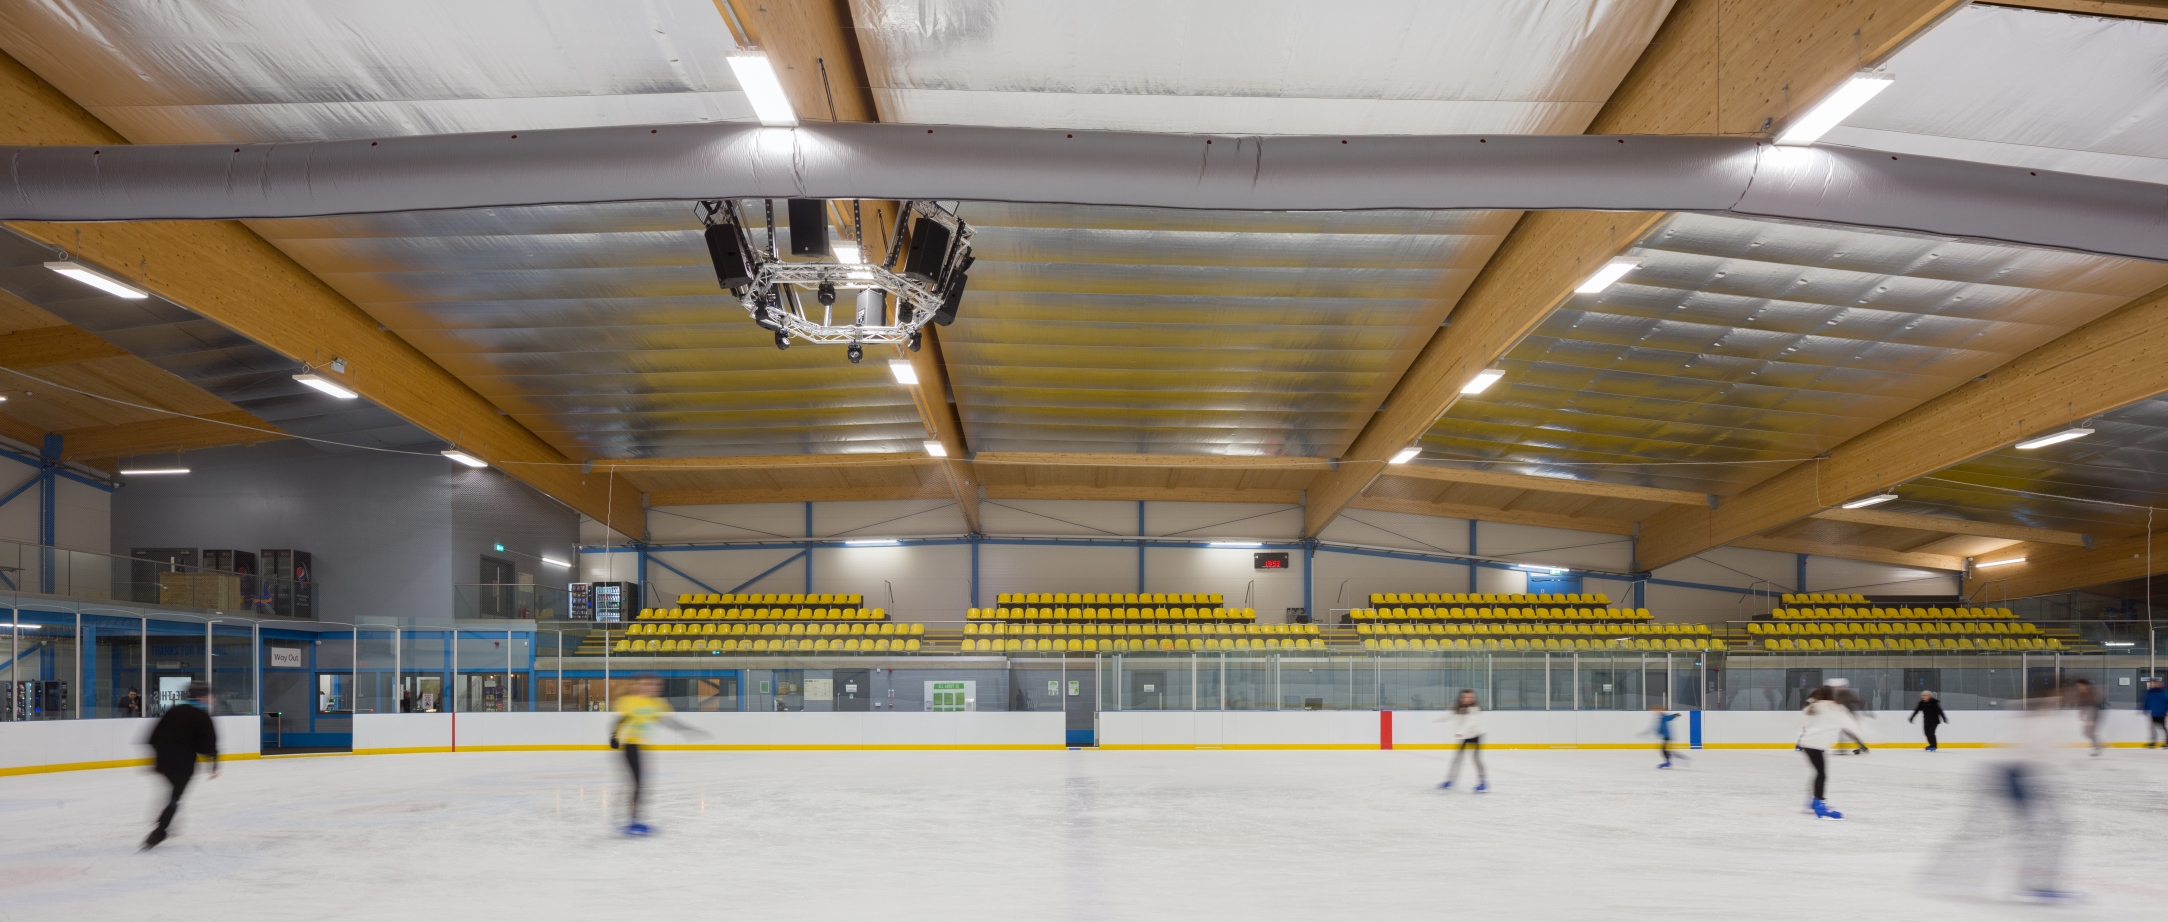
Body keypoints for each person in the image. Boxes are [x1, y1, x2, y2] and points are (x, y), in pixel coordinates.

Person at [609, 675, 706, 836]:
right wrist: (614, 735)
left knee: (639, 784)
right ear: (638, 685)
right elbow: (621, 720)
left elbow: (667, 721)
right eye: (646, 684)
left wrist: (686, 730)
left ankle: (631, 819)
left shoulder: (658, 704)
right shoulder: (629, 701)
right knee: (637, 783)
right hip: (630, 746)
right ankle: (631, 821)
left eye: (654, 685)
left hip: (643, 748)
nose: (650, 688)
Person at [142, 681, 218, 849]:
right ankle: (160, 831)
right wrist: (213, 763)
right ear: (200, 697)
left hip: (164, 763)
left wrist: (155, 760)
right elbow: (206, 745)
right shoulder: (202, 716)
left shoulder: (173, 711)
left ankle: (165, 821)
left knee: (172, 795)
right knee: (175, 797)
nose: (210, 699)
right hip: (183, 765)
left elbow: (153, 737)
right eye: (208, 696)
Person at [1798, 686, 1860, 820]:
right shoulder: (1830, 706)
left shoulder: (1812, 706)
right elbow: (1847, 722)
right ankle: (1819, 805)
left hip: (1808, 744)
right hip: (1815, 744)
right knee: (1821, 774)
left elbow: (1805, 724)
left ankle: (1814, 801)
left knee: (1819, 773)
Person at [1438, 689, 1487, 793]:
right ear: (1461, 698)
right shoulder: (1458, 708)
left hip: (1475, 735)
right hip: (1464, 736)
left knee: (1476, 759)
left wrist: (1461, 732)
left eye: (1470, 697)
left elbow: (1470, 723)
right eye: (1465, 697)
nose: (1467, 699)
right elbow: (1451, 714)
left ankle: (1483, 782)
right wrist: (1442, 718)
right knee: (1457, 759)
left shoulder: (1474, 709)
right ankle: (1451, 780)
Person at [1829, 678, 1870, 755]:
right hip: (1844, 716)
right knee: (1848, 732)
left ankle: (1842, 750)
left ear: (1841, 687)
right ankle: (1862, 746)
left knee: (1845, 732)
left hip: (1850, 716)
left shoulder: (1847, 693)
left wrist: (1864, 710)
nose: (1836, 688)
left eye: (1838, 687)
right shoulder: (1837, 694)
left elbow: (1859, 701)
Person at [2071, 679, 2106, 756]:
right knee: (2086, 732)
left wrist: (2094, 720)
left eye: (2080, 686)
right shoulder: (2081, 695)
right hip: (2089, 714)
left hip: (2096, 713)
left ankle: (2096, 748)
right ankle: (2098, 745)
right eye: (2077, 686)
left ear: (2085, 685)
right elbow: (2082, 706)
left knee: (2090, 732)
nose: (2079, 688)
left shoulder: (2093, 693)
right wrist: (2081, 715)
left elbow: (2096, 706)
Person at [2146, 679, 2168, 749]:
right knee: (2153, 727)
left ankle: (2166, 742)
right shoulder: (2151, 693)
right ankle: (2153, 741)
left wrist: (2164, 710)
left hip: (2161, 713)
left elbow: (2166, 703)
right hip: (2154, 712)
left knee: (2162, 727)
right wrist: (2145, 709)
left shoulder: (2163, 693)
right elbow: (2148, 701)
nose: (2154, 685)